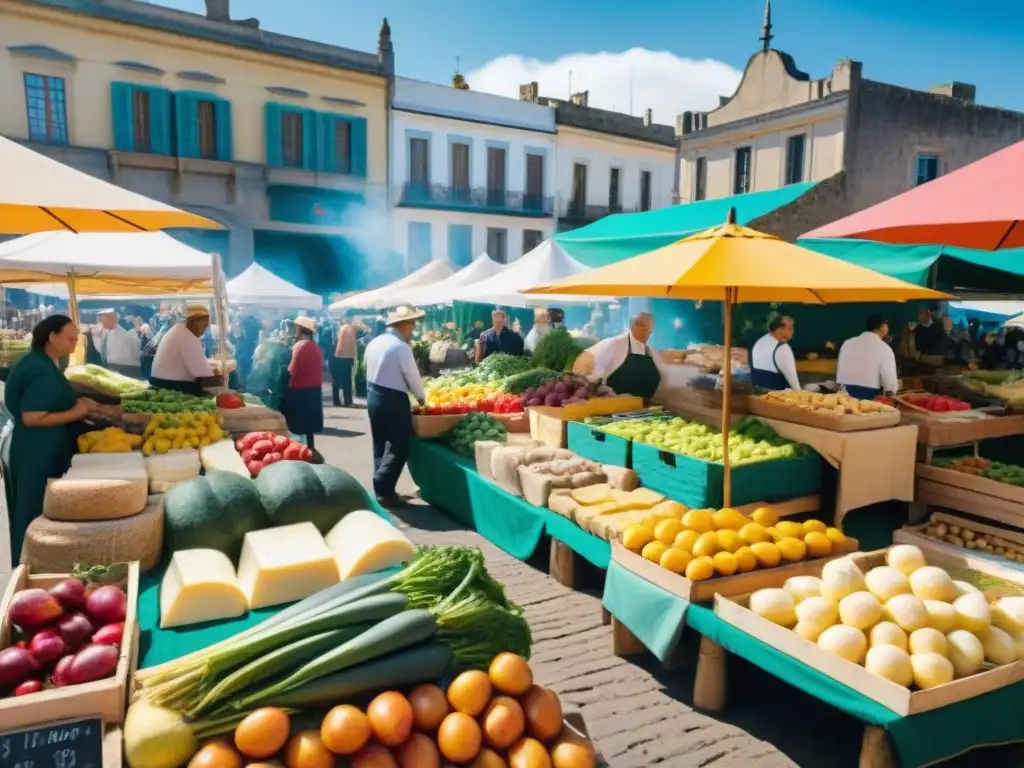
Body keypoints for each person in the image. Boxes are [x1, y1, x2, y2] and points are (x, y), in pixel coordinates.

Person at [3, 315, 100, 564]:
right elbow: (32, 417)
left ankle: (33, 564)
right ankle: (31, 567)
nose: (74, 342)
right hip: (37, 449)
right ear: (51, 336)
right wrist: (76, 412)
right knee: (35, 510)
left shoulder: (40, 361)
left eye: (76, 338)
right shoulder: (40, 370)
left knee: (33, 508)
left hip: (37, 445)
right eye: (69, 337)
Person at [364, 305, 426, 506]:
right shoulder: (400, 347)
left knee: (380, 444)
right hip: (393, 399)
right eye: (412, 324)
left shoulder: (376, 342)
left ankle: (384, 492)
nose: (413, 328)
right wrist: (421, 397)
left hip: (373, 394)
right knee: (399, 444)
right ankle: (382, 483)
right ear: (404, 324)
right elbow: (411, 375)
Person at [575, 312, 666, 401]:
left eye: (649, 328)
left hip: (647, 408)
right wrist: (597, 389)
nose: (647, 330)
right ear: (632, 326)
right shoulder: (613, 344)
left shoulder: (652, 352)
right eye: (643, 326)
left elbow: (664, 379)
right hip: (614, 406)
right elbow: (588, 372)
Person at [149, 305, 218, 396]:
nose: (204, 331)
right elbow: (203, 375)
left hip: (160, 384)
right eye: (204, 326)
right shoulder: (188, 336)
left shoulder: (177, 330)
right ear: (195, 322)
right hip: (176, 387)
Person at [280, 317, 324, 451]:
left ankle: (298, 451)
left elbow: (291, 370)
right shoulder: (314, 346)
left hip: (299, 390)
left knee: (297, 425)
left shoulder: (300, 346)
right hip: (314, 390)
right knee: (308, 426)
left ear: (300, 329)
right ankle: (310, 448)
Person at [836, 314, 899, 399]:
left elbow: (840, 372)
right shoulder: (884, 348)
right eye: (886, 325)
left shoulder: (847, 343)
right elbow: (889, 380)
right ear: (882, 327)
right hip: (870, 395)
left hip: (845, 393)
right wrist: (891, 392)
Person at [750, 316, 800, 391]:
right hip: (778, 394)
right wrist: (800, 393)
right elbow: (793, 379)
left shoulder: (760, 341)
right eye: (790, 328)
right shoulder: (783, 348)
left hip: (757, 389)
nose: (792, 331)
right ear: (779, 329)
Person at [92, 309, 141, 375]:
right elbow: (101, 350)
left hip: (128, 368)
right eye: (100, 320)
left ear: (112, 319)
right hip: (112, 367)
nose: (100, 322)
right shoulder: (105, 332)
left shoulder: (127, 331)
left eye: (103, 320)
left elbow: (137, 353)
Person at [332, 313, 360, 407]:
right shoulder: (350, 328)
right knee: (346, 380)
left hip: (338, 355)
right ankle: (348, 402)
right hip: (346, 356)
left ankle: (336, 401)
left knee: (337, 380)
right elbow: (365, 328)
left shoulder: (342, 328)